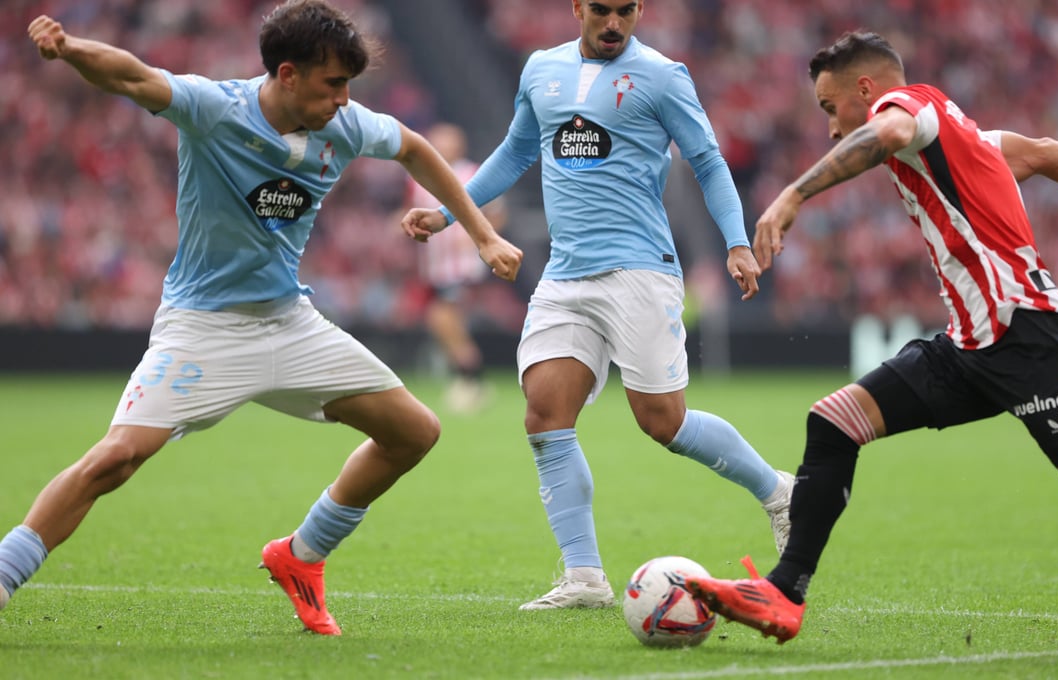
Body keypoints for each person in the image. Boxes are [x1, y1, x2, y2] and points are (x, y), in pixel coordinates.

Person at [1, 0, 523, 636]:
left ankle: (300, 556)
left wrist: (479, 235)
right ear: (287, 74)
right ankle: (4, 574)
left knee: (414, 432)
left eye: (349, 87)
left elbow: (416, 150)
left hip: (289, 323)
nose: (344, 100)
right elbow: (133, 75)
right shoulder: (215, 108)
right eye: (333, 84)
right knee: (115, 459)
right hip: (203, 328)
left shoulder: (347, 124)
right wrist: (72, 48)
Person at [683, 30, 1058, 644]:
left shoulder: (911, 108)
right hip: (969, 348)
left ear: (867, 91)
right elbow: (1042, 152)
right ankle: (784, 593)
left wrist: (793, 194)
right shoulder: (959, 133)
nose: (828, 128)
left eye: (829, 108)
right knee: (834, 421)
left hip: (1028, 335)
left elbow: (893, 133)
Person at [402, 0, 793, 611]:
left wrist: (737, 243)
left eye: (627, 12)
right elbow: (513, 152)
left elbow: (709, 160)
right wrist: (449, 212)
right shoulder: (540, 69)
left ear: (639, 11)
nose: (614, 24)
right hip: (564, 275)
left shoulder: (664, 75)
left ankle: (778, 493)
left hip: (639, 270)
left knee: (662, 422)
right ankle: (584, 577)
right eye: (603, 11)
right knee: (544, 415)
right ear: (578, 8)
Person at [400, 122, 508, 414]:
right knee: (446, 323)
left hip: (464, 266)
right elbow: (410, 208)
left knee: (441, 317)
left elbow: (497, 213)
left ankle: (471, 380)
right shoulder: (418, 178)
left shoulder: (473, 174)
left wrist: (481, 242)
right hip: (434, 266)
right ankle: (468, 377)